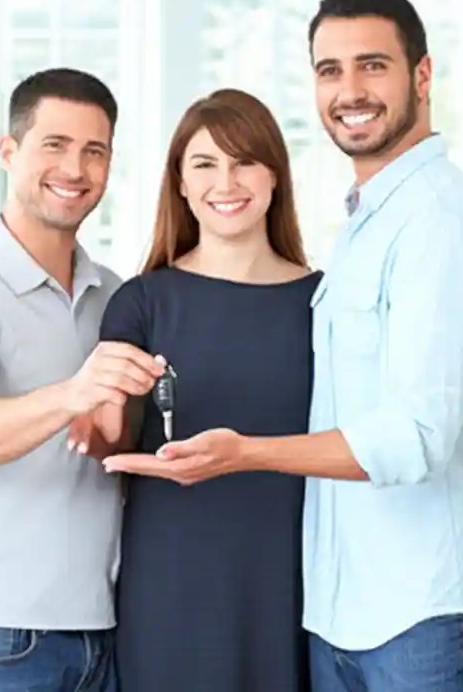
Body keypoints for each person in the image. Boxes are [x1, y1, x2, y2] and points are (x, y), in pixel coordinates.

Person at [105, 0, 463, 692]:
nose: (350, 89)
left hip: (421, 620)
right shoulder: (367, 227)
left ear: (422, 76)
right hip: (338, 620)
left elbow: (416, 435)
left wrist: (247, 454)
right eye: (330, 70)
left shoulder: (440, 224)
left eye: (373, 65)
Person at [0, 67, 165, 692]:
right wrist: (71, 392)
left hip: (97, 628)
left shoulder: (117, 297)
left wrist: (110, 432)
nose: (75, 168)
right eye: (55, 145)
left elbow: (110, 455)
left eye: (94, 151)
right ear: (8, 151)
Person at [78, 88, 317, 691]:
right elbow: (113, 440)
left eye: (244, 162)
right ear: (181, 184)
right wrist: (92, 422)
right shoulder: (142, 303)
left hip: (296, 577)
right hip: (174, 583)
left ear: (274, 177)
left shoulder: (324, 303)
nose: (226, 182)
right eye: (205, 164)